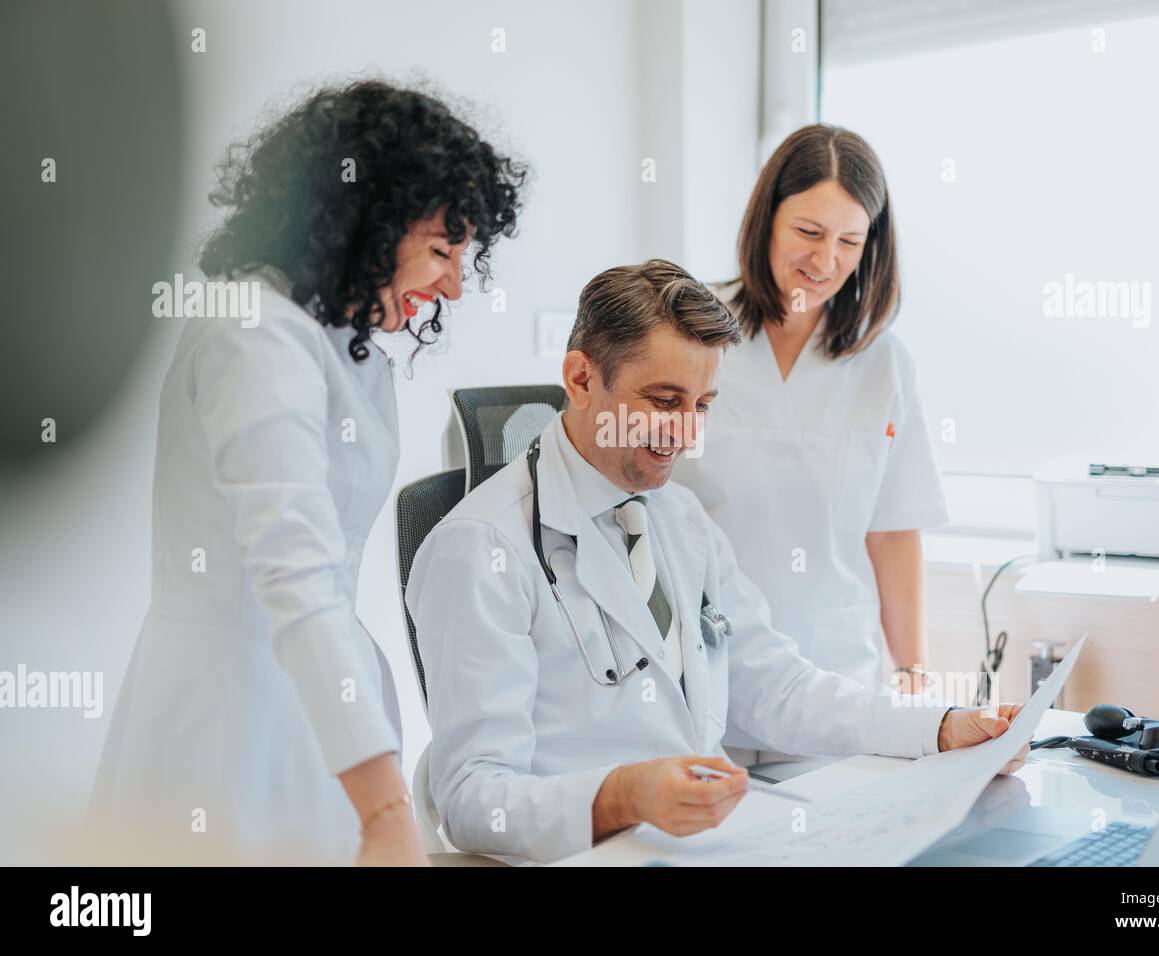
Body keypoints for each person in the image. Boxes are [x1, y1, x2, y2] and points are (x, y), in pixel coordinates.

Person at [405, 259, 1024, 864]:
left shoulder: (678, 518)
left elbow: (777, 685)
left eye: (702, 405)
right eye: (665, 400)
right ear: (581, 378)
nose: (685, 433)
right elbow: (471, 799)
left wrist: (939, 726)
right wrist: (621, 796)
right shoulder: (483, 547)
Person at [89, 80, 526, 865]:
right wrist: (388, 810)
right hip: (227, 722)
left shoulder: (343, 339)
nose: (457, 284)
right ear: (369, 220)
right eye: (441, 250)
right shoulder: (252, 332)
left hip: (319, 709)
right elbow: (294, 572)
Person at [673, 124, 948, 769]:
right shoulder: (691, 330)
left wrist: (913, 673)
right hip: (698, 666)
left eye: (850, 241)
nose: (826, 262)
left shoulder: (884, 364)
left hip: (832, 681)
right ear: (766, 219)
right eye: (809, 232)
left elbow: (893, 531)